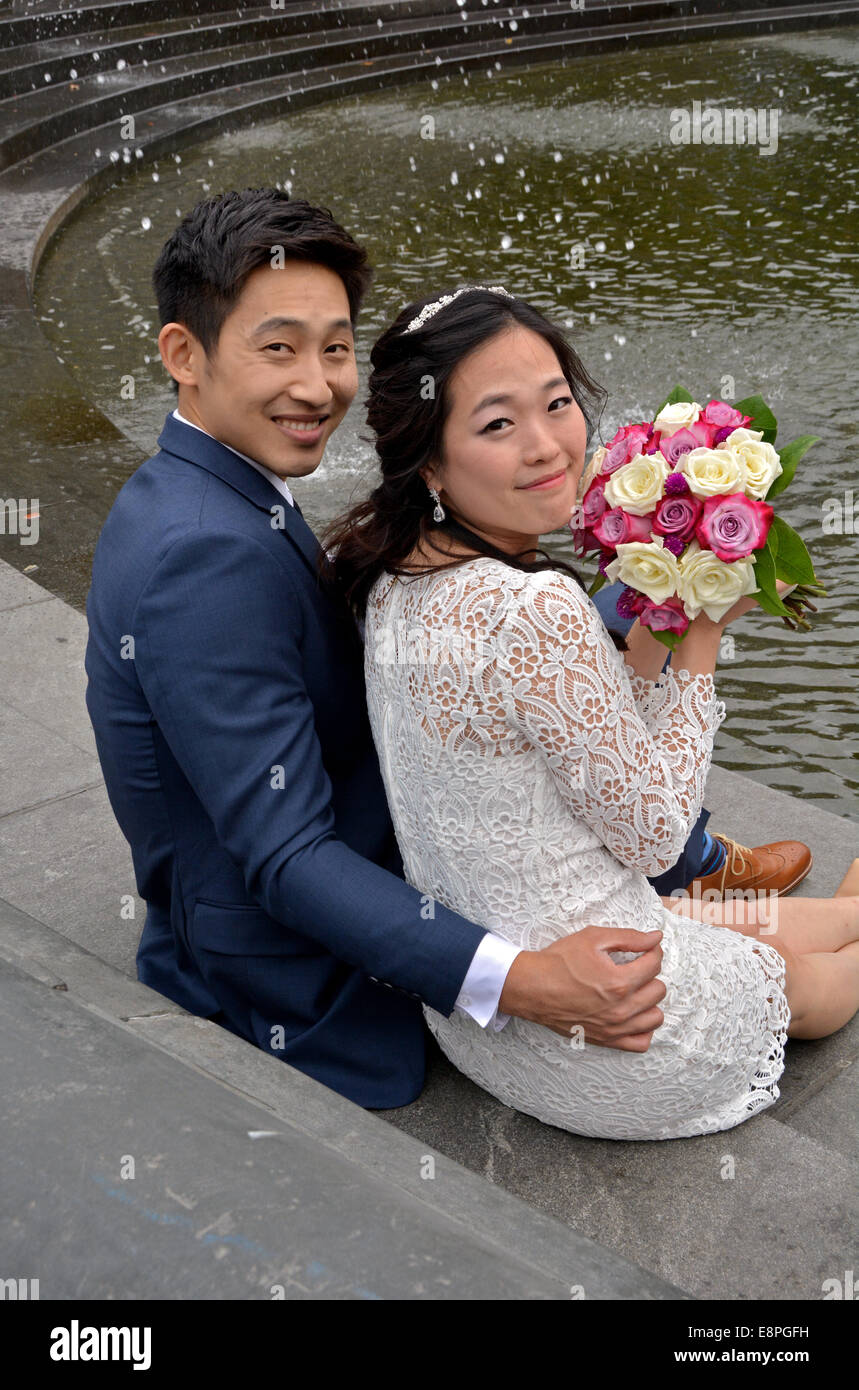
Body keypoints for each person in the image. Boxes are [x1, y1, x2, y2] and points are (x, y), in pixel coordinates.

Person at [85, 189, 669, 1113]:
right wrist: (521, 983)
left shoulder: (203, 488)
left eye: (334, 346)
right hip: (294, 983)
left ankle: (695, 856)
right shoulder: (200, 555)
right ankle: (697, 863)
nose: (318, 386)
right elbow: (284, 857)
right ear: (182, 355)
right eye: (277, 348)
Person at [323, 283, 859, 1138]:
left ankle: (841, 913)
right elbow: (650, 836)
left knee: (806, 922)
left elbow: (595, 744)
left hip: (486, 1019)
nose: (545, 447)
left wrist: (659, 598)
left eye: (557, 404)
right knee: (826, 989)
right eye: (497, 424)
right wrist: (706, 626)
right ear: (428, 459)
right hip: (628, 1034)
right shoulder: (532, 608)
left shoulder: (395, 578)